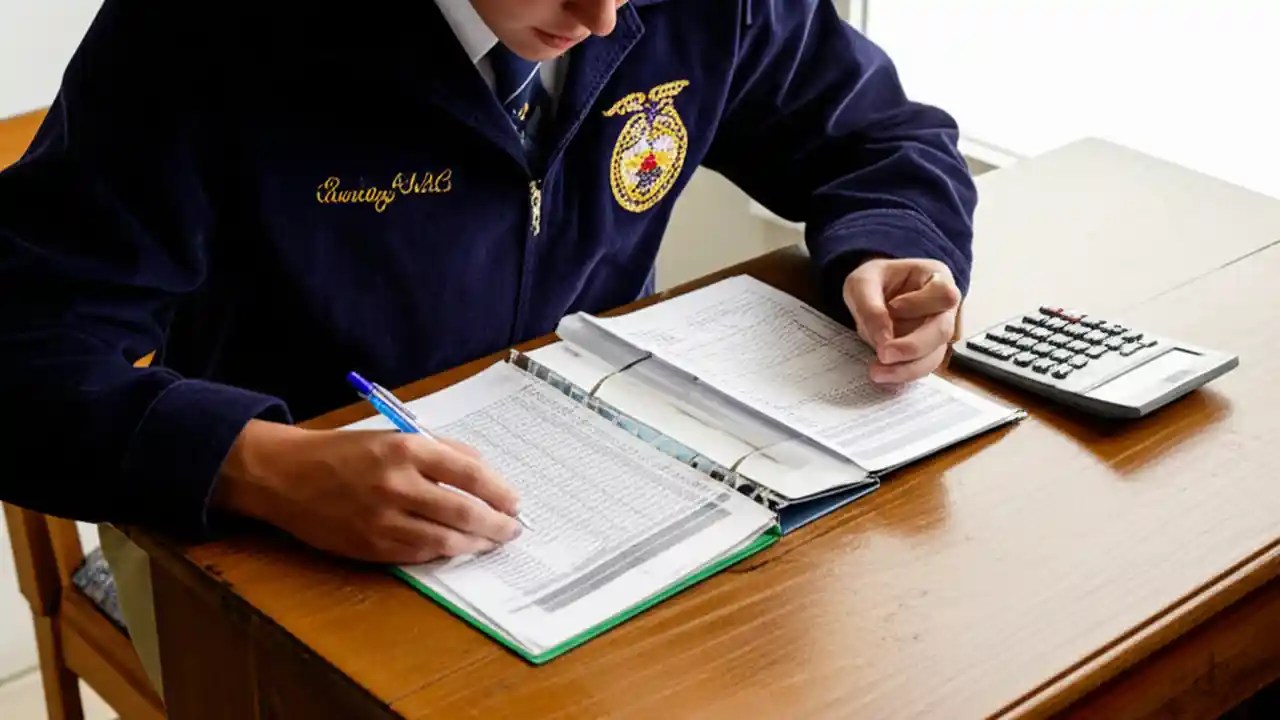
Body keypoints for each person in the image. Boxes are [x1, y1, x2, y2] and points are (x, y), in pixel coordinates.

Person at [0, 0, 974, 690]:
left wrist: (895, 242)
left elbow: (879, 138)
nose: (603, 18)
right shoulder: (202, 29)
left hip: (611, 509)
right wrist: (256, 466)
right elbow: (21, 344)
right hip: (272, 548)